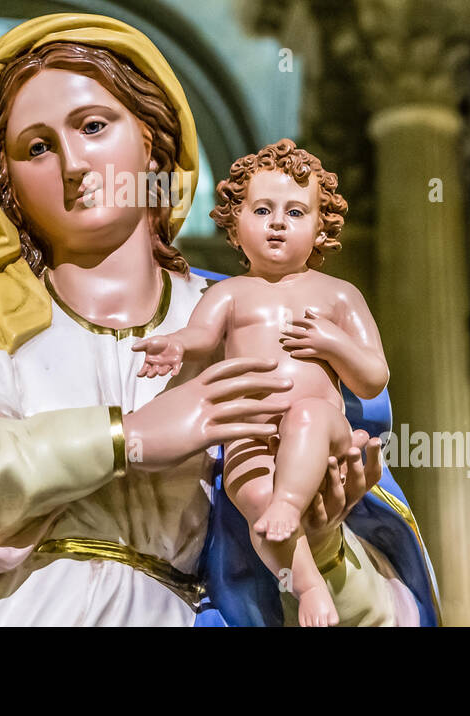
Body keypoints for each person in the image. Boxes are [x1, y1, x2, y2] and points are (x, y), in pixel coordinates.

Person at [0, 13, 440, 627]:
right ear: (5, 185)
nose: (72, 164)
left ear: (152, 140)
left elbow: (384, 614)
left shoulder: (235, 322)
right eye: (35, 147)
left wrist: (323, 548)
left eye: (93, 125)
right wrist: (129, 435)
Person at [135, 139, 389, 625]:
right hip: (249, 436)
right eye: (262, 209)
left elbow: (373, 378)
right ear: (235, 223)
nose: (277, 222)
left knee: (308, 416)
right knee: (256, 502)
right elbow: (199, 335)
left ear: (321, 228)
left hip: (321, 434)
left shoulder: (338, 295)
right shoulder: (228, 294)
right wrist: (175, 346)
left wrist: (333, 342)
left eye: (295, 212)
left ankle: (290, 503)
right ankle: (308, 586)